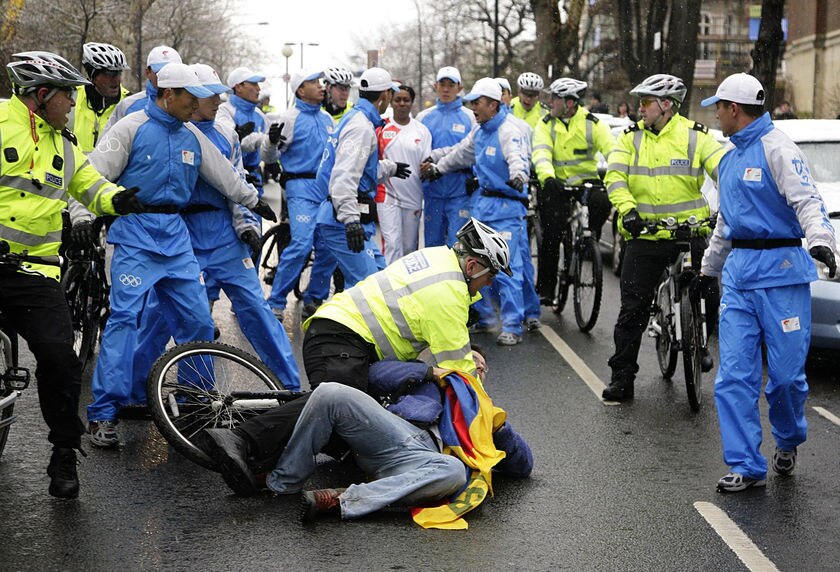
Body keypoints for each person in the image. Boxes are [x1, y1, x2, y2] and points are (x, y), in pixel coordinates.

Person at [85, 63, 277, 448]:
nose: (199, 105)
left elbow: (225, 175)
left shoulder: (191, 133)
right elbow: (91, 174)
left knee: (198, 324)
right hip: (136, 238)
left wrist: (254, 201)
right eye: (192, 98)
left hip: (176, 241)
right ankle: (104, 413)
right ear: (168, 94)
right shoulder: (130, 128)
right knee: (123, 321)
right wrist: (81, 217)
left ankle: (196, 404)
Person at [0, 51, 147, 498]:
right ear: (41, 95)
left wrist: (116, 200)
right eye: (67, 95)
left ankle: (64, 450)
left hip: (35, 273)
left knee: (61, 361)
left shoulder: (64, 143)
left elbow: (90, 183)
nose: (72, 103)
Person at [127, 63, 302, 396]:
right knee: (159, 318)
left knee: (257, 311)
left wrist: (248, 227)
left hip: (224, 238)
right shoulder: (167, 131)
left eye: (220, 95)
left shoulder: (225, 133)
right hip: (182, 238)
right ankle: (164, 392)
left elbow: (237, 182)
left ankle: (290, 388)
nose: (218, 102)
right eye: (211, 96)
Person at [699, 73, 836, 492]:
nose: (716, 115)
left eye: (718, 107)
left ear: (734, 110)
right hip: (740, 279)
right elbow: (726, 223)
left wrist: (822, 243)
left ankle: (789, 438)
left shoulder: (779, 149)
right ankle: (746, 465)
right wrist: (708, 270)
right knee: (734, 376)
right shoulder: (729, 160)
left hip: (782, 278)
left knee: (786, 379)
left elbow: (808, 202)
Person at [603, 74, 725, 401]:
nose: (640, 108)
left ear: (666, 105)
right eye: (640, 102)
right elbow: (615, 177)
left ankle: (699, 340)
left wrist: (726, 207)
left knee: (710, 291)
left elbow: (723, 170)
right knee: (632, 309)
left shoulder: (695, 137)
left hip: (689, 233)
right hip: (644, 236)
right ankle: (622, 377)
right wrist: (628, 210)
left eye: (646, 102)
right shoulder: (630, 138)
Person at [303, 217, 511, 392]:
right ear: (473, 267)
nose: (491, 282)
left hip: (340, 333)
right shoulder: (448, 293)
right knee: (345, 417)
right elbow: (461, 372)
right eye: (491, 274)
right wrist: (486, 410)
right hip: (341, 342)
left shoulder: (437, 256)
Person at [422, 78, 531, 346]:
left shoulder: (508, 130)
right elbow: (460, 154)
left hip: (506, 208)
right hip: (482, 205)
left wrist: (518, 175)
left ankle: (512, 325)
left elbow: (517, 156)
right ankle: (484, 317)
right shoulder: (480, 131)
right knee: (473, 263)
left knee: (508, 267)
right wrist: (439, 167)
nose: (473, 107)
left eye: (477, 102)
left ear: (493, 105)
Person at [312, 67, 410, 287]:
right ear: (385, 95)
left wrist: (390, 168)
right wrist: (351, 220)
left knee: (381, 279)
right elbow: (343, 177)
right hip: (342, 220)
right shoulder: (361, 127)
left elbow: (361, 170)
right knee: (368, 290)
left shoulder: (356, 119)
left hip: (343, 216)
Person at [262, 69, 337, 321]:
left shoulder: (328, 119)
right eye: (313, 83)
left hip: (325, 190)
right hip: (300, 189)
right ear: (300, 90)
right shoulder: (289, 118)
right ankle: (275, 301)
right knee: (302, 244)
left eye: (320, 82)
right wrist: (270, 143)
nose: (320, 86)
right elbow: (270, 158)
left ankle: (314, 297)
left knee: (327, 245)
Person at [532, 78, 614, 305]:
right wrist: (547, 176)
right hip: (555, 183)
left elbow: (612, 151)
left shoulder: (592, 123)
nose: (550, 102)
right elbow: (541, 152)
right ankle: (547, 288)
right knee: (552, 233)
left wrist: (617, 174)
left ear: (569, 103)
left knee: (603, 201)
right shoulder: (546, 124)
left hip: (585, 182)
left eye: (554, 99)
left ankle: (589, 240)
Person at [416, 66, 476, 248]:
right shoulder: (423, 117)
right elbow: (418, 154)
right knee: (433, 247)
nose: (446, 89)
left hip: (459, 193)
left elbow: (473, 152)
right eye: (442, 84)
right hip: (433, 193)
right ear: (435, 86)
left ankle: (456, 278)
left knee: (457, 246)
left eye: (451, 85)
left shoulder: (471, 117)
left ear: (460, 88)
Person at [375, 84, 432, 264]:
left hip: (413, 195)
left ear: (412, 103)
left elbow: (426, 160)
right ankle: (389, 288)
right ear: (391, 101)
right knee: (392, 244)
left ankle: (407, 288)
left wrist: (428, 167)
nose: (401, 104)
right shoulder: (382, 127)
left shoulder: (421, 131)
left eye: (406, 100)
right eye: (397, 100)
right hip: (387, 194)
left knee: (409, 248)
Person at [68, 42, 130, 153]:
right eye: (110, 74)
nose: (117, 79)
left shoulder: (129, 104)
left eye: (119, 73)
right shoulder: (72, 98)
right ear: (93, 76)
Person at [103, 45, 182, 132]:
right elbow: (107, 142)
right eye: (159, 72)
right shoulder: (127, 106)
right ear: (147, 72)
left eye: (172, 72)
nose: (166, 76)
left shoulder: (190, 105)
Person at [217, 66, 268, 194]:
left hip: (255, 179)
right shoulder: (224, 111)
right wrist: (260, 138)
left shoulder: (260, 115)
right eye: (254, 84)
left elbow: (267, 151)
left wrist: (272, 145)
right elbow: (234, 144)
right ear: (238, 87)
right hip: (232, 178)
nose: (258, 89)